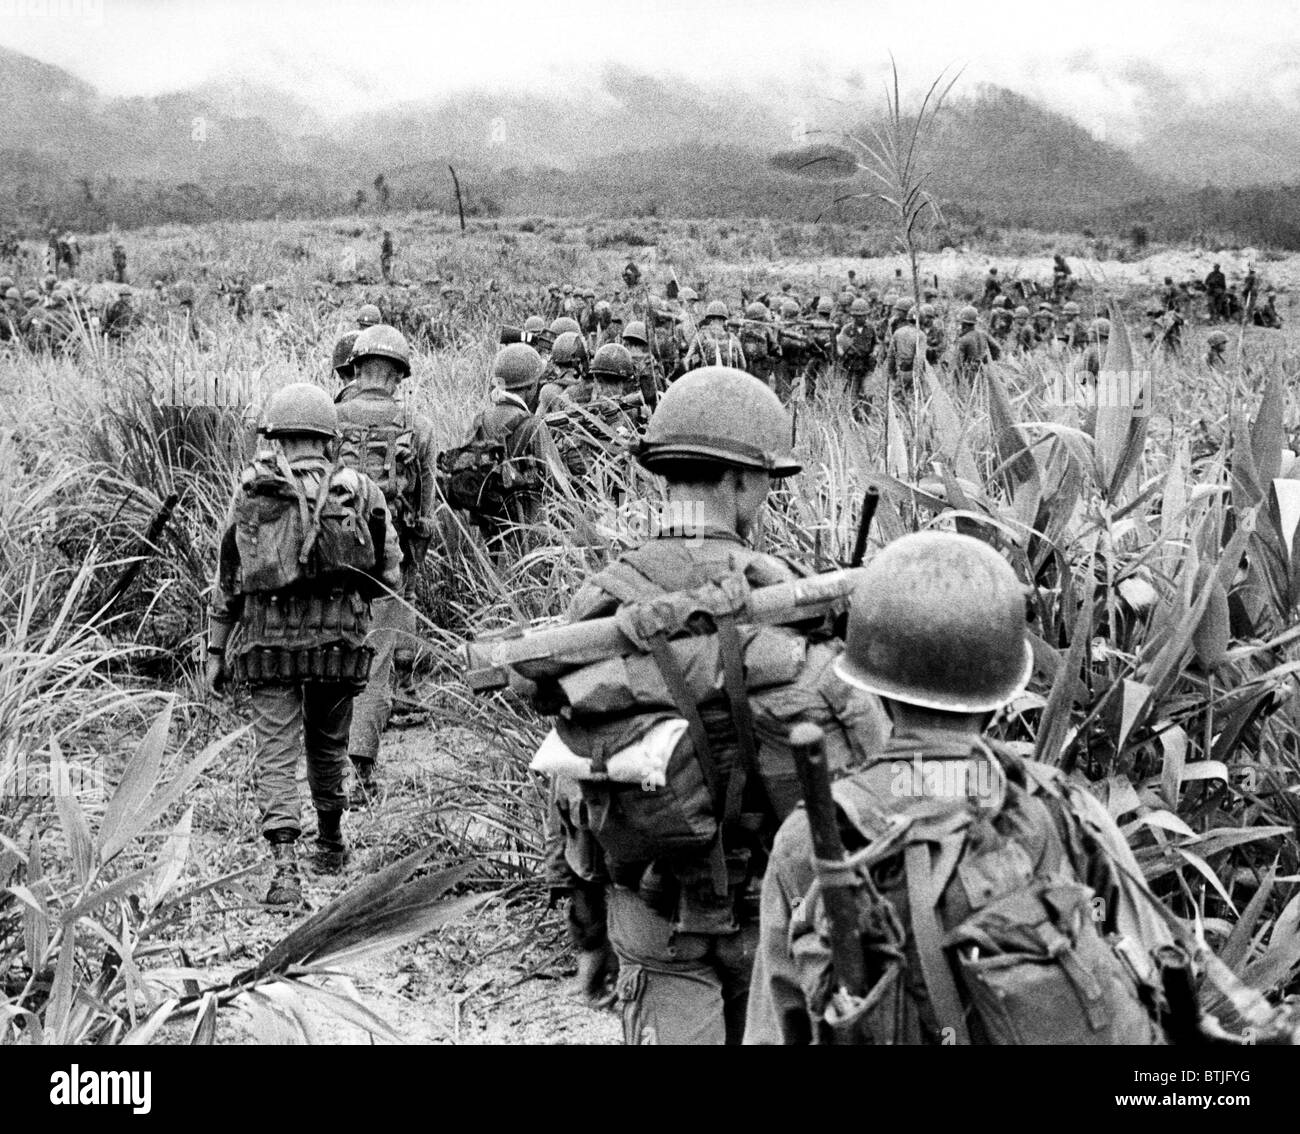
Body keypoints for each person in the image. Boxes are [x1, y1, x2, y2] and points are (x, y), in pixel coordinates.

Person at [539, 366, 879, 1045]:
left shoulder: (599, 608)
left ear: (665, 476)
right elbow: (864, 803)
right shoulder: (794, 610)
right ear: (743, 480)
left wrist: (588, 934)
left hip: (651, 918)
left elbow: (569, 785)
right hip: (776, 931)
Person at [745, 531, 1176, 1045]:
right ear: (1001, 698)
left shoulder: (813, 831)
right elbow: (1154, 976)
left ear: (871, 691)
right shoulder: (1063, 807)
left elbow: (775, 1026)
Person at [206, 383, 402, 905]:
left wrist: (214, 649)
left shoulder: (254, 487)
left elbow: (230, 577)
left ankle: (284, 871)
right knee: (328, 743)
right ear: (328, 439)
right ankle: (331, 840)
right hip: (338, 645)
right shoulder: (359, 489)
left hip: (267, 646)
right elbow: (390, 575)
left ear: (275, 438)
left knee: (276, 749)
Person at [334, 325, 437, 805]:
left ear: (356, 370)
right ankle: (359, 768)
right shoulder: (416, 424)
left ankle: (324, 763)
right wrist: (409, 570)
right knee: (374, 663)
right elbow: (425, 511)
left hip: (330, 556)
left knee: (331, 657)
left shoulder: (328, 417)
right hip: (385, 564)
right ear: (398, 374)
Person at [836, 298, 877, 406]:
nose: (861, 318)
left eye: (863, 315)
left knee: (869, 393)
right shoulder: (847, 329)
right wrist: (844, 353)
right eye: (858, 316)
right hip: (852, 368)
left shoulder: (871, 328)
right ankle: (853, 419)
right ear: (853, 316)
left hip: (867, 366)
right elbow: (839, 345)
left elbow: (876, 343)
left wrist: (875, 352)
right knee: (852, 398)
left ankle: (866, 419)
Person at [683, 300, 745, 371]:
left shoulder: (701, 335)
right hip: (728, 379)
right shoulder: (733, 338)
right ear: (724, 319)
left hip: (707, 378)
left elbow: (686, 361)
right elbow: (743, 365)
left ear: (710, 319)